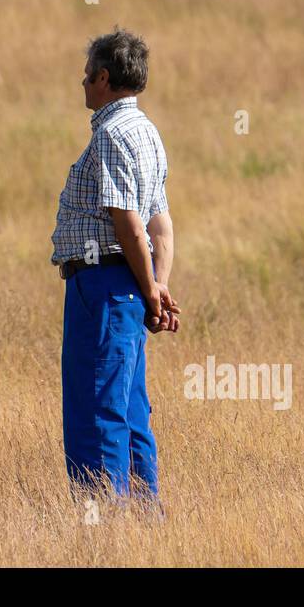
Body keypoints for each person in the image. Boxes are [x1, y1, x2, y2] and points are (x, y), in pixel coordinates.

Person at [50, 27, 180, 507]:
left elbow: (126, 219)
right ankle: (145, 521)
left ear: (104, 77)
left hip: (104, 284)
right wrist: (158, 285)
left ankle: (102, 526)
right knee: (128, 408)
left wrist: (150, 290)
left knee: (95, 408)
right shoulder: (148, 133)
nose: (82, 84)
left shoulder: (111, 133)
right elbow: (160, 225)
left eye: (87, 76)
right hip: (129, 285)